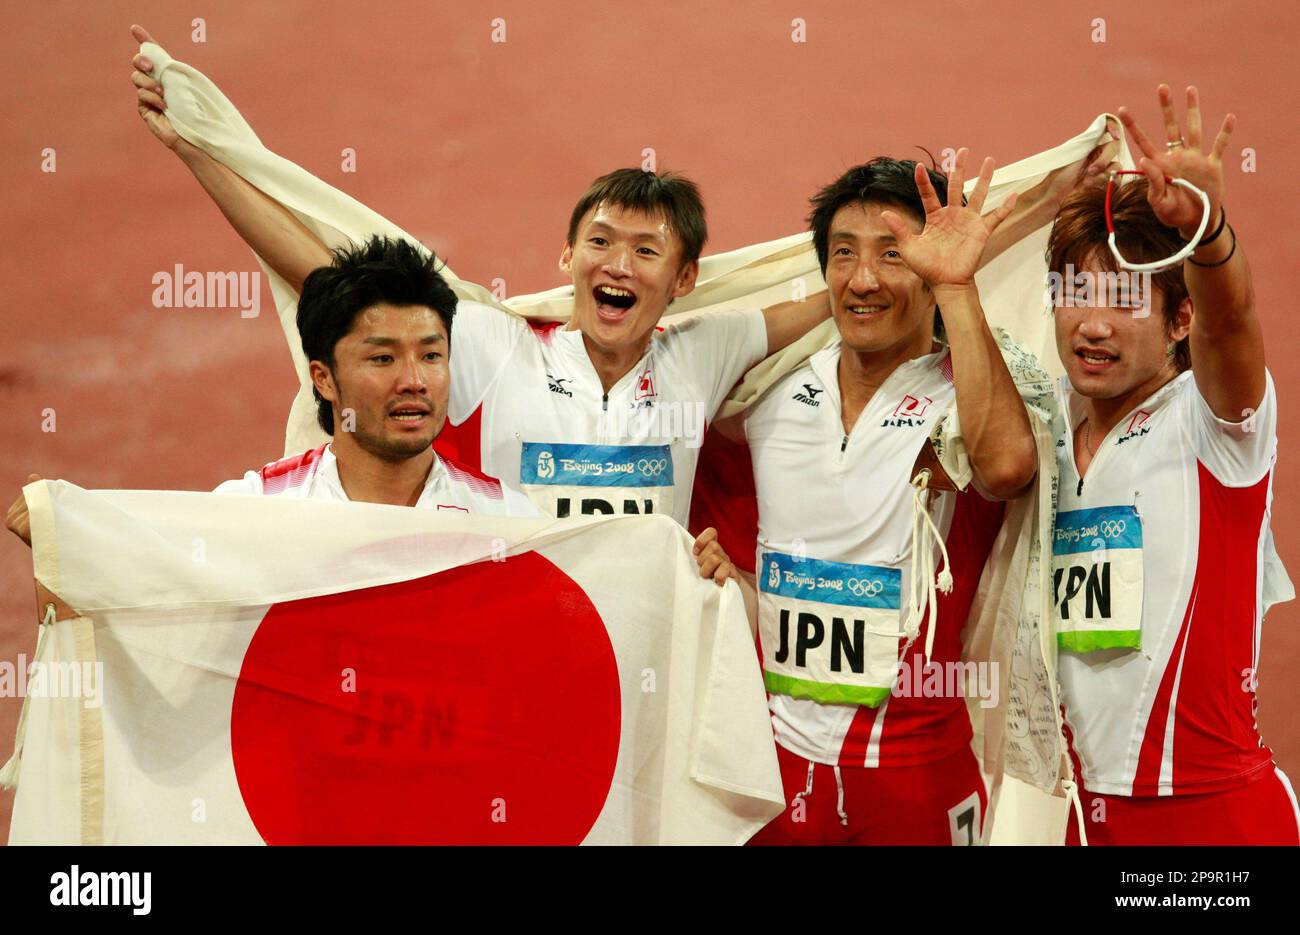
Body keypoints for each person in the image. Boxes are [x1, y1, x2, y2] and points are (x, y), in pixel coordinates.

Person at [709, 150, 1038, 845]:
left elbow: (1007, 468)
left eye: (894, 255)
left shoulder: (968, 389)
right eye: (843, 254)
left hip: (915, 776)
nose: (863, 280)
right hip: (776, 771)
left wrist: (959, 286)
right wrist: (732, 581)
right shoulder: (769, 392)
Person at [1047, 84, 1297, 844]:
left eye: (1123, 298)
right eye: (1073, 292)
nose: (1092, 322)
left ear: (1178, 316)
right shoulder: (1042, 422)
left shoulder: (1215, 420)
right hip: (1079, 815)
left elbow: (1233, 318)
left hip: (1213, 818)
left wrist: (1210, 233)